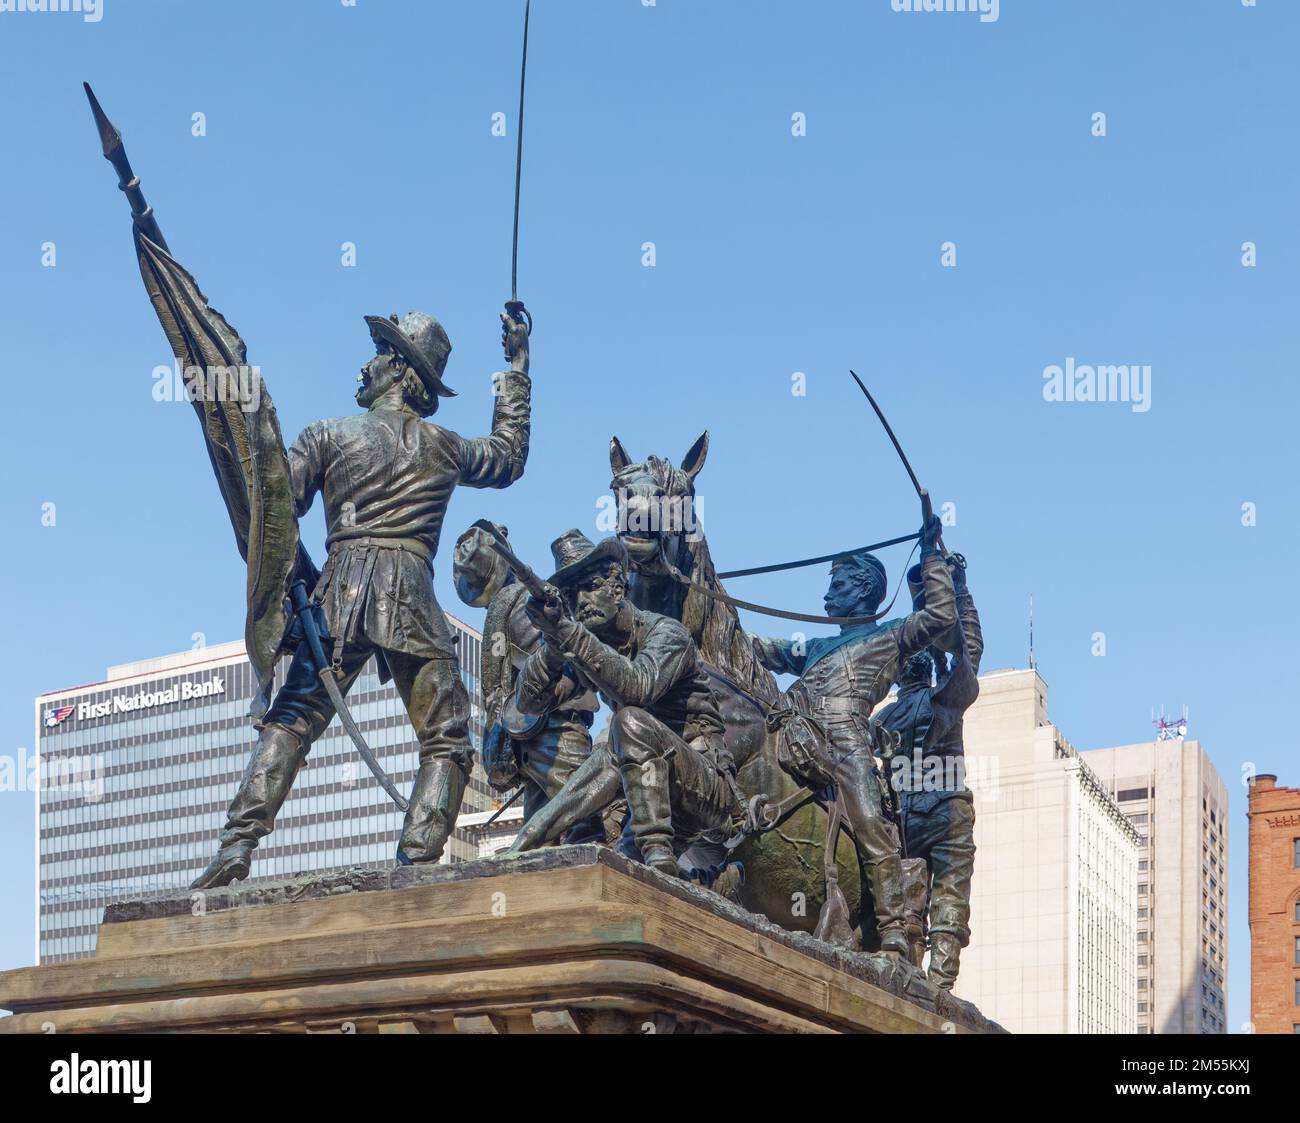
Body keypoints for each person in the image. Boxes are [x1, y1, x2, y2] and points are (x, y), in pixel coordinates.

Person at [191, 306, 532, 888]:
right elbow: (508, 456)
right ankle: (416, 861)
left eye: (377, 353)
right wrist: (517, 366)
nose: (364, 364)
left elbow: (272, 506)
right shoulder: (444, 446)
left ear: (398, 369)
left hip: (339, 596)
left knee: (292, 722)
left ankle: (236, 844)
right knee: (447, 738)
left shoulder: (328, 434)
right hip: (412, 602)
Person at [749, 513, 953, 955]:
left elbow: (939, 616)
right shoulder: (816, 646)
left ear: (863, 588)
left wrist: (932, 555)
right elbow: (764, 650)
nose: (826, 594)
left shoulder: (892, 636)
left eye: (837, 585)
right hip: (794, 724)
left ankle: (893, 924)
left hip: (845, 738)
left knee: (869, 821)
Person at [513, 532, 736, 876]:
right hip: (651, 797)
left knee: (628, 722)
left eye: (591, 585)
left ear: (618, 589)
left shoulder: (668, 634)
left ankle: (658, 854)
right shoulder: (590, 646)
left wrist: (569, 634)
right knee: (616, 873)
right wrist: (553, 646)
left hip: (707, 790)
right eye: (572, 595)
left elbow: (636, 688)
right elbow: (528, 703)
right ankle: (708, 882)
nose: (581, 600)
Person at [876, 555, 982, 987]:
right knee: (950, 896)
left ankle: (907, 974)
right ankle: (940, 983)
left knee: (908, 901)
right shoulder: (945, 701)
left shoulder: (880, 720)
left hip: (903, 822)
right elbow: (968, 651)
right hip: (947, 813)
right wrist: (958, 587)